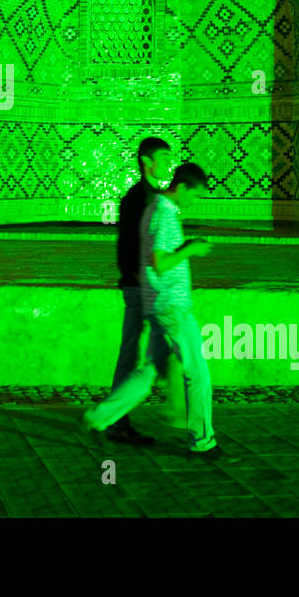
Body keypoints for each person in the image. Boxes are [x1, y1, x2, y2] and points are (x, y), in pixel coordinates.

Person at [83, 162, 238, 462]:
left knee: (150, 371)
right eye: (195, 195)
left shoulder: (154, 208)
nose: (194, 202)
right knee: (198, 373)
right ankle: (203, 441)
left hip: (157, 304)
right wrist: (191, 248)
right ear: (182, 188)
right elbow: (161, 262)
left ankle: (99, 416)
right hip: (172, 306)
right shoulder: (165, 214)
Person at [103, 137, 174, 445]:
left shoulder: (147, 196)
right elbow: (131, 248)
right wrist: (141, 283)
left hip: (140, 286)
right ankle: (113, 420)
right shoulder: (139, 199)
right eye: (164, 158)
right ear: (147, 161)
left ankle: (116, 419)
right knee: (132, 353)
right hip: (138, 289)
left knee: (135, 352)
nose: (168, 165)